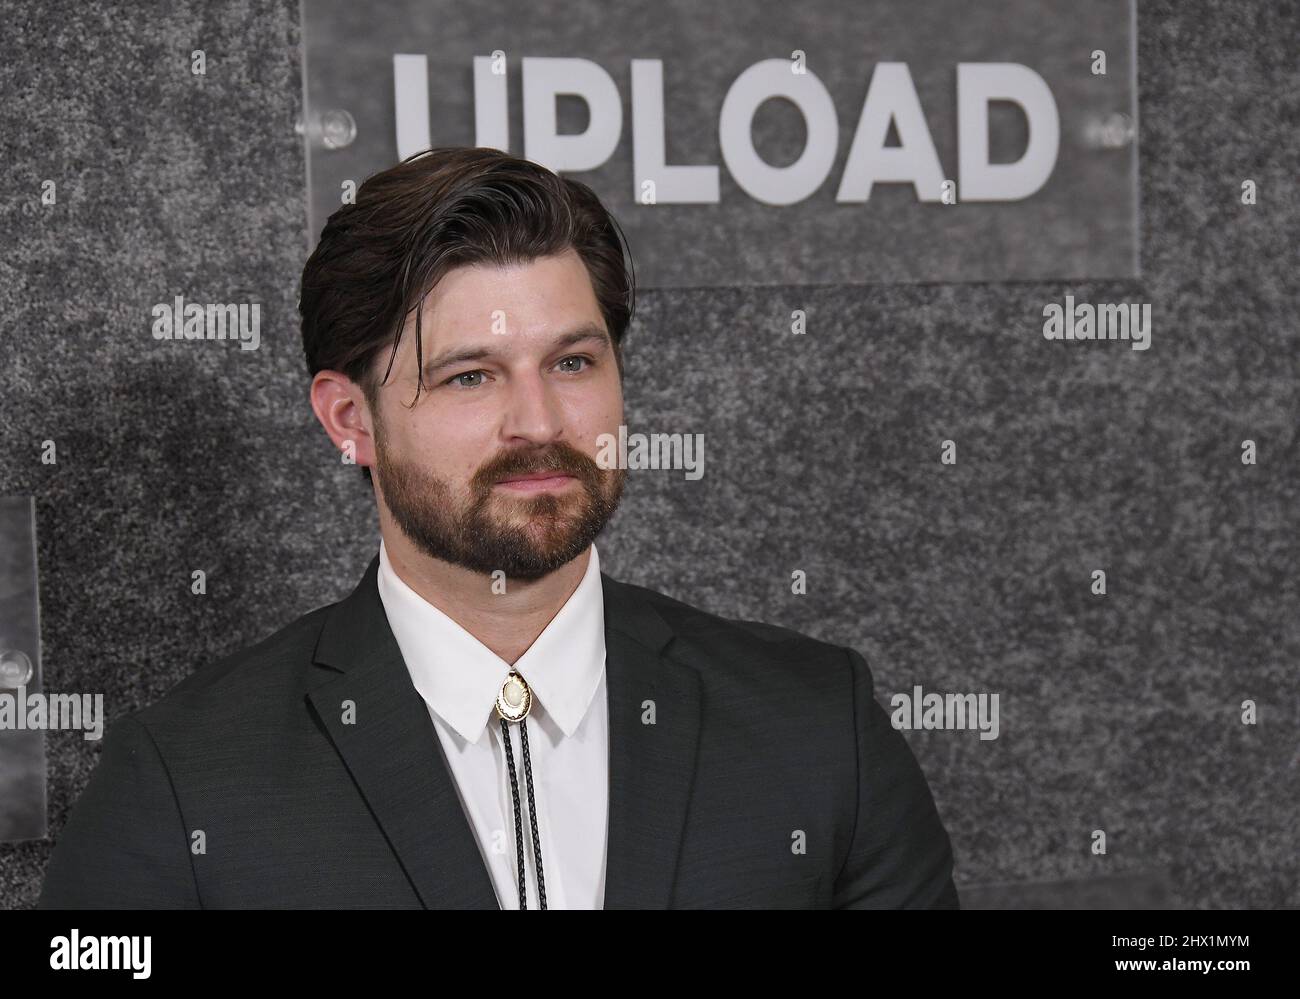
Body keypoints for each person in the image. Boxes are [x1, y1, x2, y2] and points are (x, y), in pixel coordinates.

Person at [38, 147, 958, 909]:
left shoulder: (814, 723)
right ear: (349, 418)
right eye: (470, 375)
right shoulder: (182, 779)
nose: (541, 422)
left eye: (573, 360)